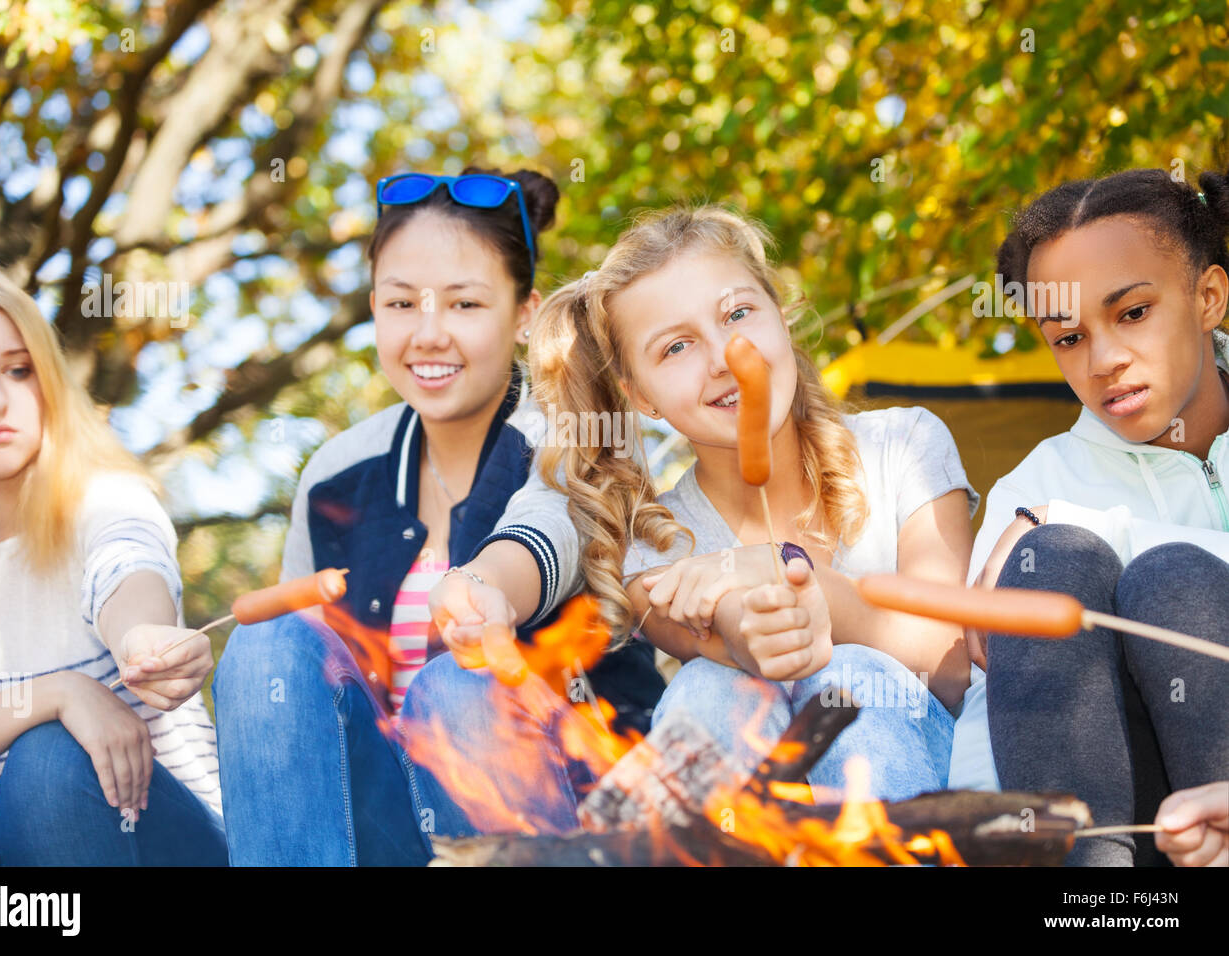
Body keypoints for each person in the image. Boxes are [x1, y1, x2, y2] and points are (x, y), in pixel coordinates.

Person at [434, 204, 977, 808]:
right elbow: (726, 645)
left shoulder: (905, 444)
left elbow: (951, 665)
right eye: (676, 348)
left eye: (739, 313)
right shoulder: (655, 541)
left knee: (848, 676)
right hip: (751, 812)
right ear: (641, 397)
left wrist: (789, 576)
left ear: (782, 316)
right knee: (713, 683)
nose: (723, 357)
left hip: (915, 786)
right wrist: (747, 625)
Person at [212, 167, 662, 865]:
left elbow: (557, 532)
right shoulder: (338, 471)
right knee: (266, 646)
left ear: (523, 315)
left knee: (462, 681)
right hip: (393, 824)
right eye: (400, 305)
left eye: (463, 305)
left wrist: (486, 590)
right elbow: (304, 690)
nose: (427, 335)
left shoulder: (584, 431)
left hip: (579, 812)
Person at [964, 166, 1229, 865]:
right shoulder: (1032, 493)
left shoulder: (1044, 509)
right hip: (1134, 835)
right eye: (1068, 338)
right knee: (1051, 561)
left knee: (1174, 578)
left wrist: (1106, 526)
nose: (1105, 360)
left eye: (1133, 312)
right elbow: (991, 725)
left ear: (1208, 297)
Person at [0, 261, 225, 866]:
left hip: (160, 842)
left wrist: (144, 637)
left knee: (50, 762)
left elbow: (128, 563)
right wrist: (59, 691)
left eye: (20, 370)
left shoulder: (103, 495)